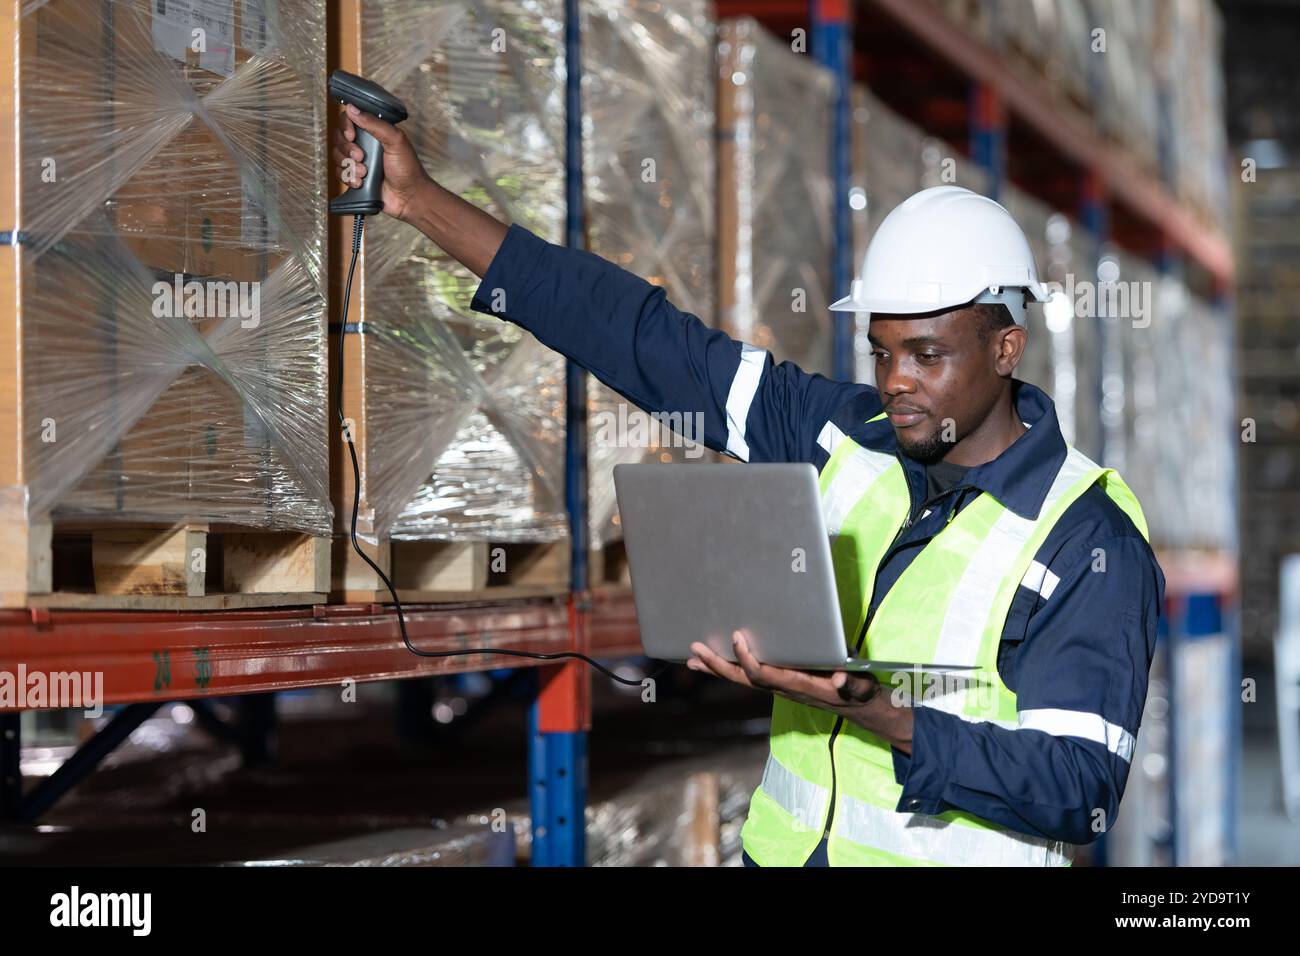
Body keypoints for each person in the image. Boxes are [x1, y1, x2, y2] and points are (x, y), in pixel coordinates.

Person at [333, 102, 1165, 868]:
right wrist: (419, 202)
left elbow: (1077, 787)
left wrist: (877, 709)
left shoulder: (1085, 536)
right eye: (881, 351)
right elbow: (643, 340)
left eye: (927, 355)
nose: (895, 381)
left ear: (1006, 348)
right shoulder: (845, 436)